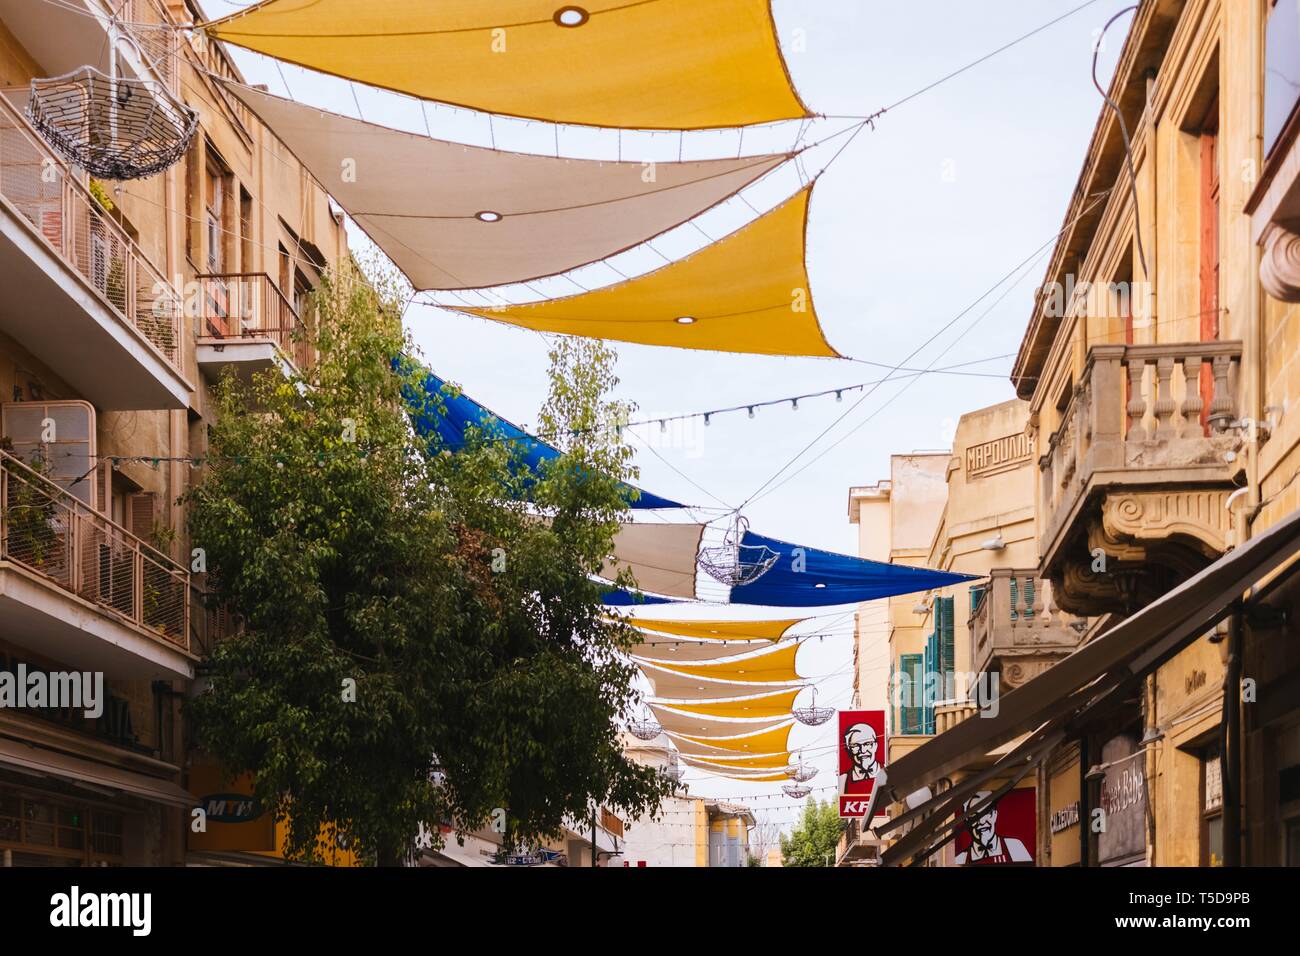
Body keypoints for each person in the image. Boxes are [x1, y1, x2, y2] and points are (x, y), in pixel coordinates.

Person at [954, 791, 1032, 864]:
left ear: (995, 814)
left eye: (987, 813)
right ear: (967, 821)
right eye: (974, 816)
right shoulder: (961, 858)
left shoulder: (1014, 847)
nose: (982, 821)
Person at [838, 722, 881, 794]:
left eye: (867, 744)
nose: (863, 750)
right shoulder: (843, 780)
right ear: (849, 749)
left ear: (875, 746)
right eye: (855, 745)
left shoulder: (887, 774)